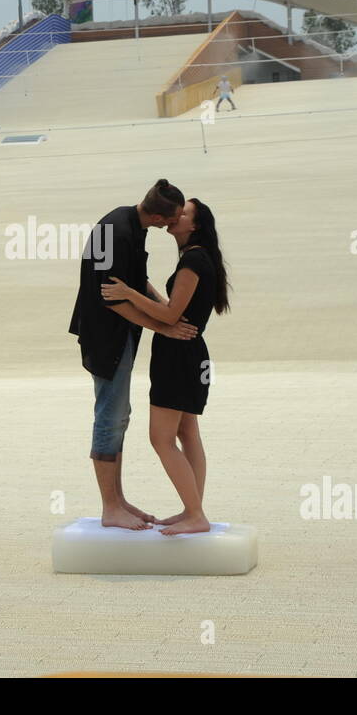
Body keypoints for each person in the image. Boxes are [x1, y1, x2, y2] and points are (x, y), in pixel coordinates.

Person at [69, 180, 198, 531]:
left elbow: (136, 283)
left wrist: (166, 308)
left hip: (119, 334)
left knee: (120, 415)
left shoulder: (132, 224)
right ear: (156, 215)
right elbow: (114, 300)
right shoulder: (116, 231)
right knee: (110, 417)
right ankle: (110, 508)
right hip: (104, 337)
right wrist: (164, 326)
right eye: (169, 220)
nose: (171, 226)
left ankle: (118, 500)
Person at [101, 198, 231, 535]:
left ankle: (195, 514)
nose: (176, 216)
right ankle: (194, 510)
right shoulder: (199, 258)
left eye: (184, 213)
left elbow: (171, 315)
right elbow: (175, 309)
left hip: (178, 357)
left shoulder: (193, 260)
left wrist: (128, 293)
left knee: (160, 438)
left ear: (195, 225)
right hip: (191, 353)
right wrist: (142, 289)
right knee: (187, 433)